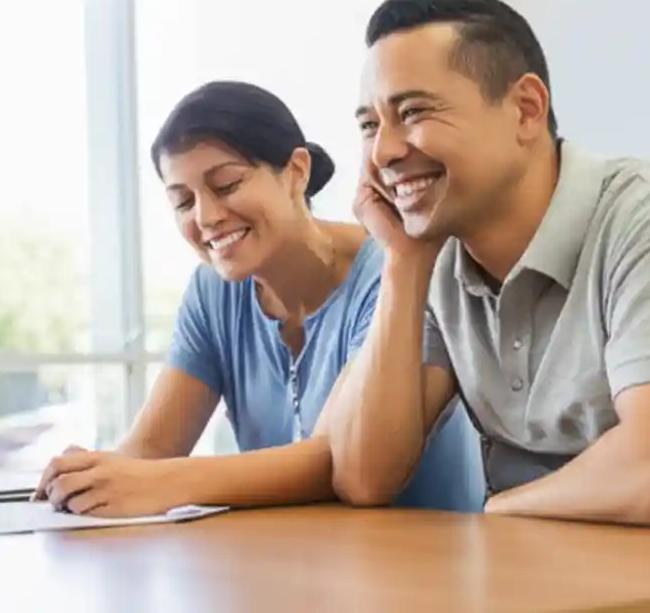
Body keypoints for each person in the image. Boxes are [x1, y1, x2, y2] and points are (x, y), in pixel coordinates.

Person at [33, 81, 482, 517]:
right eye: (183, 201)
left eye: (226, 185)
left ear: (297, 172)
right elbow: (151, 449)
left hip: (419, 568)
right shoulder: (214, 293)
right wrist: (90, 478)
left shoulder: (398, 270)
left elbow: (336, 460)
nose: (206, 217)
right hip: (294, 570)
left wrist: (166, 482)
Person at [331, 0, 650, 526]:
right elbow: (363, 475)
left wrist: (500, 508)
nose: (384, 152)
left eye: (412, 112)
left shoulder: (639, 221)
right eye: (370, 126)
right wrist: (403, 263)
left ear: (526, 110)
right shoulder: (438, 250)